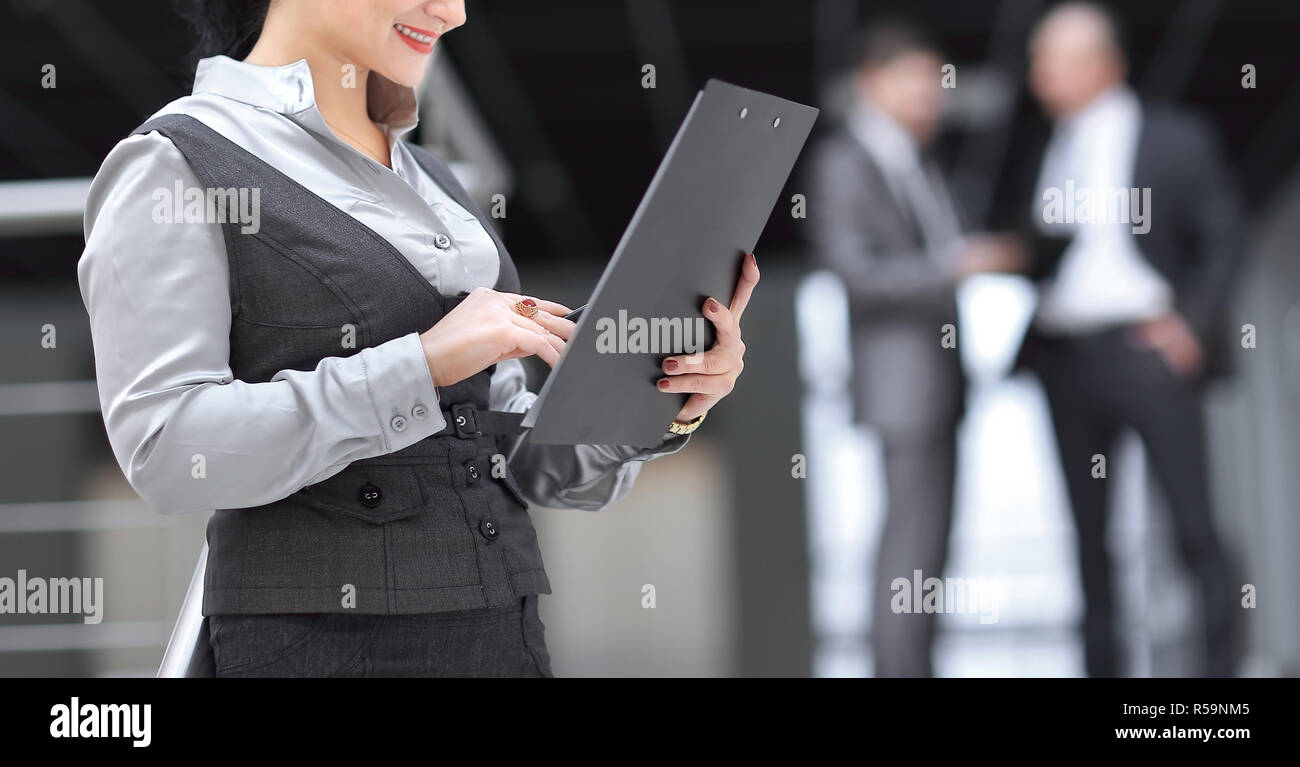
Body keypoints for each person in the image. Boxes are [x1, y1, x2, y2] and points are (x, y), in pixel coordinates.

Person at [77, 0, 755, 677]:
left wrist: (664, 391)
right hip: (321, 648)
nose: (453, 12)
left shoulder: (435, 181)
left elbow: (509, 457)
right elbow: (166, 449)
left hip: (505, 636)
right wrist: (422, 366)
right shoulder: (171, 165)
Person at [1015, 2, 1244, 677]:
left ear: (1103, 64)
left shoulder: (1175, 138)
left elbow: (1223, 238)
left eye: (1052, 59)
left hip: (1146, 351)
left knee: (1192, 525)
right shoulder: (1046, 149)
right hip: (1066, 357)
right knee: (1090, 539)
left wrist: (1190, 322)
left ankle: (1218, 689)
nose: (1038, 75)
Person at [808, 22, 1022, 677]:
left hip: (941, 380)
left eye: (937, 84)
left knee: (929, 550)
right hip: (900, 383)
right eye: (918, 80)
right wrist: (955, 266)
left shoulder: (919, 161)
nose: (932, 95)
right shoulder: (845, 161)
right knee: (908, 547)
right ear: (872, 82)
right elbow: (855, 272)